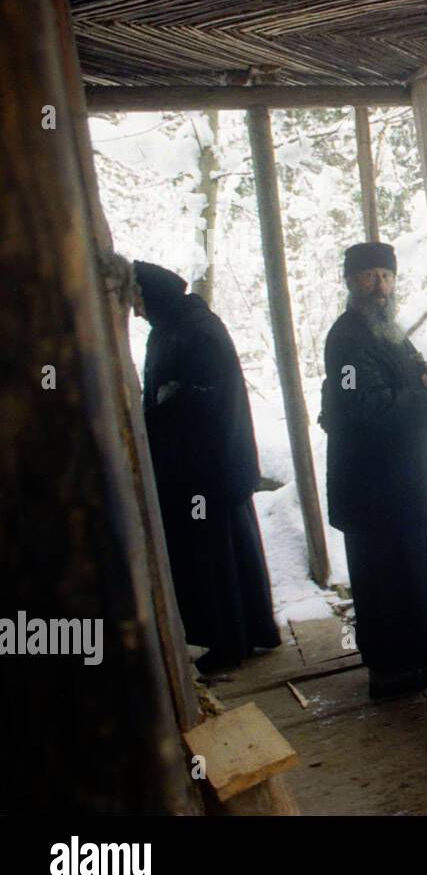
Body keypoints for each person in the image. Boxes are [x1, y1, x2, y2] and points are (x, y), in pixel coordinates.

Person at [319, 242, 427, 699]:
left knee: (415, 568)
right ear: (351, 282)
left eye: (386, 276)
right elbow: (365, 403)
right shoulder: (346, 338)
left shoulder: (385, 330)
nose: (381, 286)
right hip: (374, 484)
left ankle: (418, 655)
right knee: (387, 575)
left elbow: (407, 375)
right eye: (369, 276)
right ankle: (389, 674)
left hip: (405, 479)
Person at [132, 261, 281, 673]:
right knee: (230, 553)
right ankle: (250, 631)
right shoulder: (181, 325)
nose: (138, 312)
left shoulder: (192, 329)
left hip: (205, 471)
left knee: (211, 557)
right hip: (214, 466)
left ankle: (228, 640)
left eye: (139, 302)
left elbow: (203, 396)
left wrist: (159, 410)